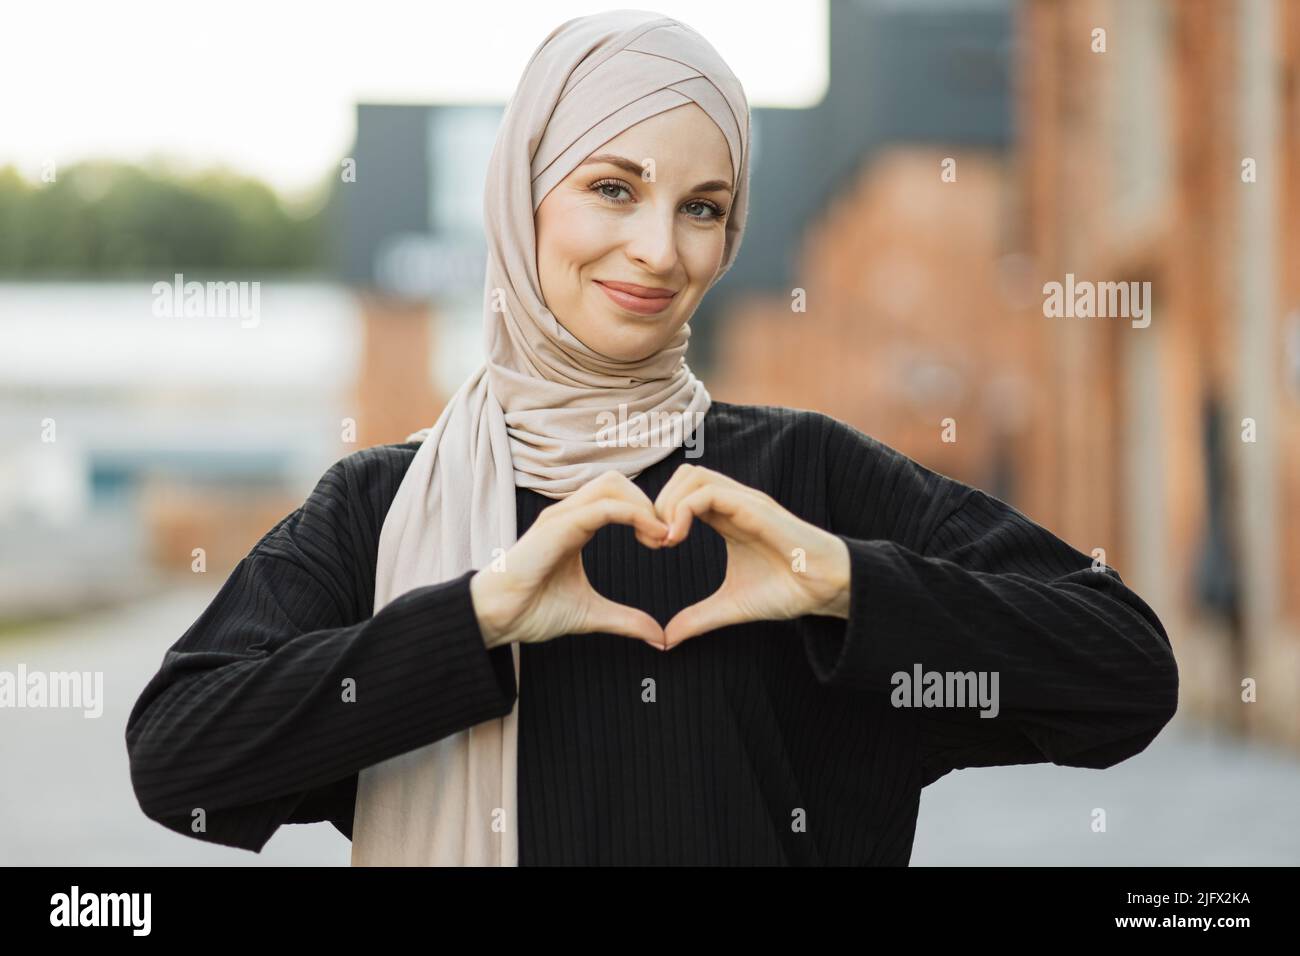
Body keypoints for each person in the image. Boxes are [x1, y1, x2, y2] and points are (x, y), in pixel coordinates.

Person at [125, 9, 1179, 866]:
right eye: (612, 188)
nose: (657, 248)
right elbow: (181, 762)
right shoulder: (381, 508)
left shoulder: (802, 478)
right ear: (523, 193)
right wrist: (475, 617)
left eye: (703, 207)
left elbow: (1126, 677)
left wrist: (847, 584)